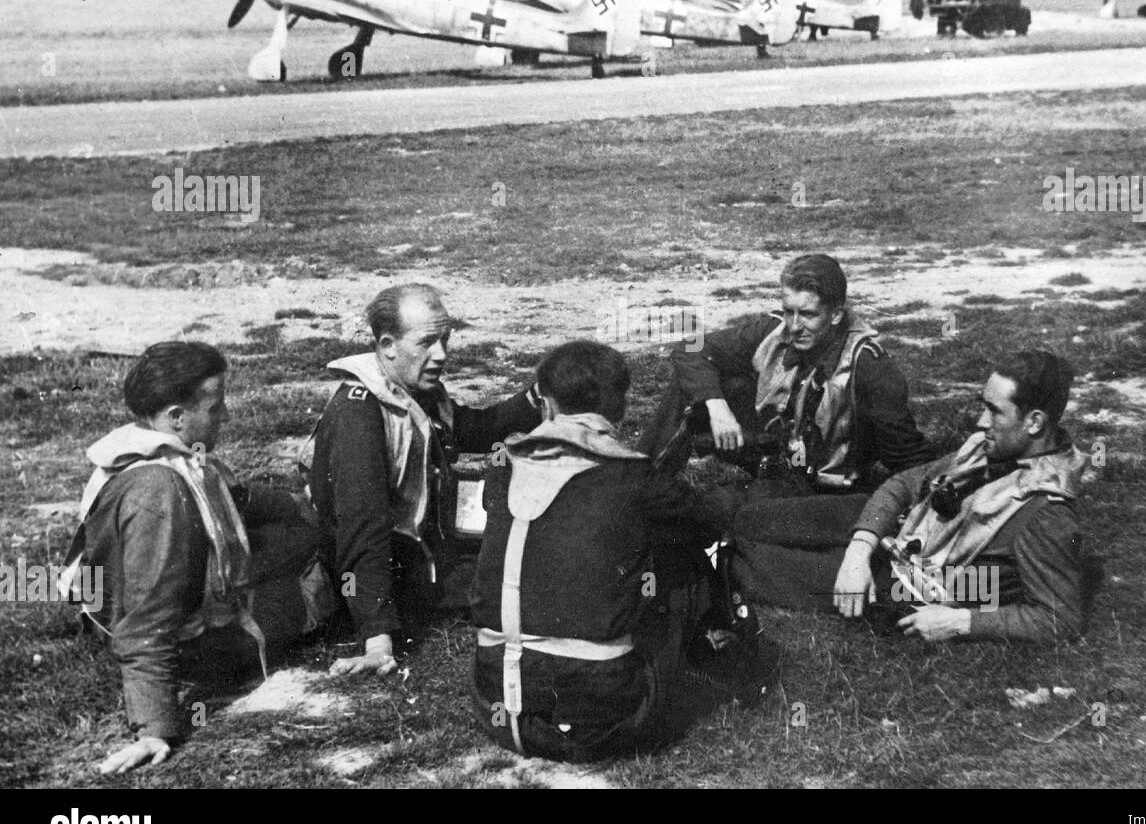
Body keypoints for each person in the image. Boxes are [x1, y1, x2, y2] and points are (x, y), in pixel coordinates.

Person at [469, 340, 770, 762]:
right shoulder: (632, 475)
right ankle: (718, 647)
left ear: (547, 404)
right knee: (681, 554)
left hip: (496, 706)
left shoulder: (504, 466)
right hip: (602, 725)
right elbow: (705, 521)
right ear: (620, 408)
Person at [66, 341, 326, 774]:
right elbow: (147, 613)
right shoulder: (157, 492)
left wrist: (301, 506)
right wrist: (155, 726)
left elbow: (233, 498)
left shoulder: (170, 453)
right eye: (217, 406)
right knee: (318, 589)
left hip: (187, 599)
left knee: (305, 535)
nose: (225, 416)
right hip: (182, 643)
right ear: (176, 417)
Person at [638, 253, 934, 609]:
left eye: (808, 314)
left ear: (836, 315)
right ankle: (639, 481)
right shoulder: (773, 333)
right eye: (789, 311)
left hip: (822, 485)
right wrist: (715, 405)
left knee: (717, 516)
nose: (795, 325)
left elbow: (907, 458)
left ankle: (701, 534)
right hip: (774, 450)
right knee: (698, 385)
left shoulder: (870, 368)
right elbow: (690, 350)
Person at [304, 283, 542, 678]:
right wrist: (377, 639)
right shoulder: (359, 415)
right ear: (387, 344)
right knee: (528, 575)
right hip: (380, 567)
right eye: (428, 342)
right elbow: (363, 528)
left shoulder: (411, 388)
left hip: (420, 544)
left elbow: (471, 429)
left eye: (445, 339)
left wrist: (538, 397)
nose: (442, 355)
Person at [833, 350, 1089, 643]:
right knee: (776, 517)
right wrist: (860, 547)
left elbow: (1059, 619)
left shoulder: (1047, 511)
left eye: (994, 411)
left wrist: (961, 622)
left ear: (1034, 422)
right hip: (900, 540)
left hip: (908, 585)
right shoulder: (992, 450)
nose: (981, 422)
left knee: (771, 565)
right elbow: (905, 483)